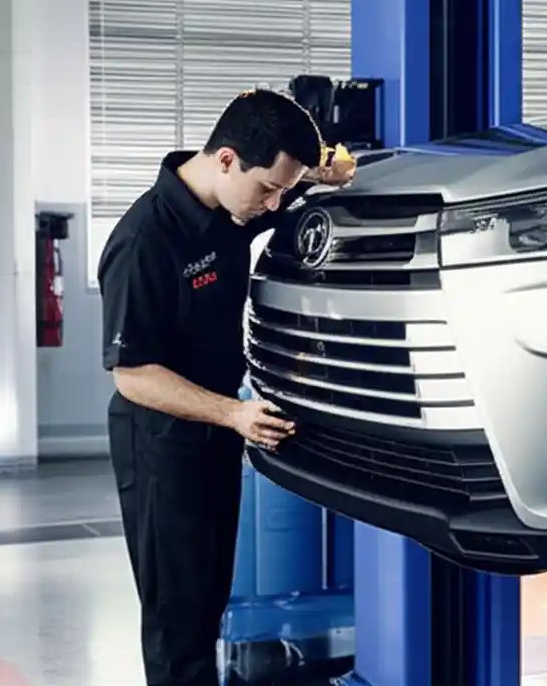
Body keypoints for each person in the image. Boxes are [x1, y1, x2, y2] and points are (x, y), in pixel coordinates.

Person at [96, 88, 355, 686]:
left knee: (210, 597)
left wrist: (327, 170)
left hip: (215, 431)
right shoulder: (145, 241)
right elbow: (131, 374)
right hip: (161, 445)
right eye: (268, 190)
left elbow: (296, 177)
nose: (274, 206)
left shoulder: (236, 201)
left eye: (283, 190)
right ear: (227, 160)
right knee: (177, 621)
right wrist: (234, 415)